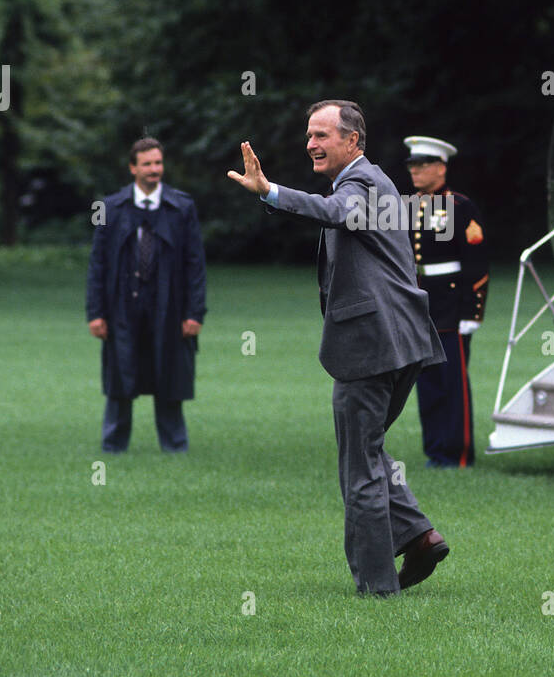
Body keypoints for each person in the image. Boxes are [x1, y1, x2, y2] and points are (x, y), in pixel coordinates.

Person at [227, 100, 449, 596]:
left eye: (323, 135)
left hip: (372, 346)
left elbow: (334, 213)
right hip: (400, 341)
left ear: (353, 141)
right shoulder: (373, 181)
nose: (311, 143)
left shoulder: (362, 184)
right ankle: (418, 535)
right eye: (309, 135)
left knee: (360, 469)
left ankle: (376, 585)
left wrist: (270, 191)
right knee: (366, 450)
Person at [86, 137, 207, 452]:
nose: (155, 170)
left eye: (158, 163)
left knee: (169, 375)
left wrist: (195, 313)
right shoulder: (110, 208)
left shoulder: (182, 207)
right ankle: (113, 445)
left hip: (169, 307)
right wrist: (95, 313)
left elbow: (196, 265)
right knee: (119, 376)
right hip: (121, 309)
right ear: (132, 168)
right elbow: (97, 264)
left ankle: (175, 446)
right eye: (147, 164)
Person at [404, 135, 489, 467]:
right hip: (419, 305)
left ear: (441, 168)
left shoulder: (459, 206)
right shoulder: (408, 205)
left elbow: (477, 260)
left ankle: (458, 453)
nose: (415, 171)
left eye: (422, 165)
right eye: (412, 165)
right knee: (427, 383)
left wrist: (472, 310)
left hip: (452, 305)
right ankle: (435, 450)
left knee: (452, 382)